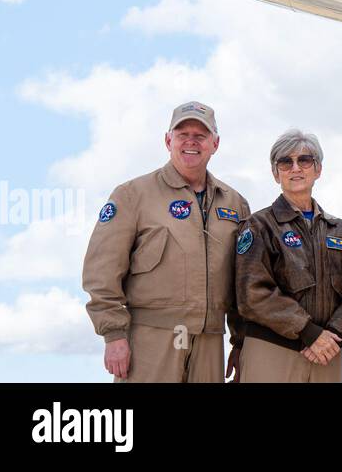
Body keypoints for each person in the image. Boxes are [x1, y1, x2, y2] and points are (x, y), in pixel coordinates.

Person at [82, 101, 249, 382]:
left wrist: (240, 343)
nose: (191, 142)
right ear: (167, 140)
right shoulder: (132, 195)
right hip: (150, 339)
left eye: (200, 135)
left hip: (209, 342)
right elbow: (101, 272)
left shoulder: (235, 203)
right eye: (183, 134)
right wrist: (113, 335)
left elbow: (242, 283)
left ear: (215, 143)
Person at [235, 130, 342, 382]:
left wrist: (333, 335)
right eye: (285, 162)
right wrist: (309, 332)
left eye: (305, 160)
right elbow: (252, 293)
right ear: (275, 173)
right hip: (272, 352)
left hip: (327, 354)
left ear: (318, 169)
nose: (295, 168)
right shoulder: (259, 226)